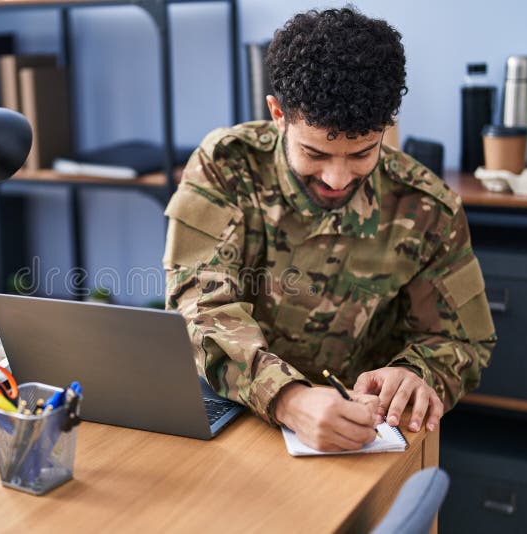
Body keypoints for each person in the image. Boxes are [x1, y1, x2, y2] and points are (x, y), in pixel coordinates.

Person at [163, 7, 496, 452]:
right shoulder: (226, 166)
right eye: (315, 153)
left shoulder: (427, 207)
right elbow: (200, 304)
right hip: (236, 419)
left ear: (385, 128)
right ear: (278, 113)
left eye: (361, 154)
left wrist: (417, 374)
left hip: (357, 432)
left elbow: (460, 338)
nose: (337, 179)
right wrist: (288, 398)